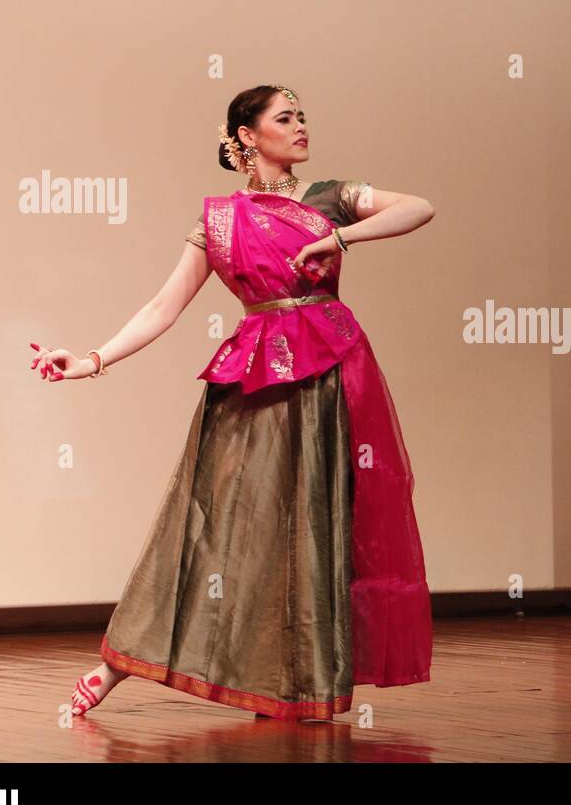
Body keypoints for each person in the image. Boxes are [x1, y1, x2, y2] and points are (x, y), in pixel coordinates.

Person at [30, 84, 434, 721]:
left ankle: (295, 683)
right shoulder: (220, 220)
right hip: (254, 379)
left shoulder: (332, 197)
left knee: (314, 527)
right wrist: (91, 360)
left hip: (328, 371)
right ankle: (116, 664)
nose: (300, 126)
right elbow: (164, 306)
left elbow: (420, 207)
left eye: (303, 116)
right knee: (219, 524)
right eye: (284, 117)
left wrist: (343, 240)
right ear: (246, 135)